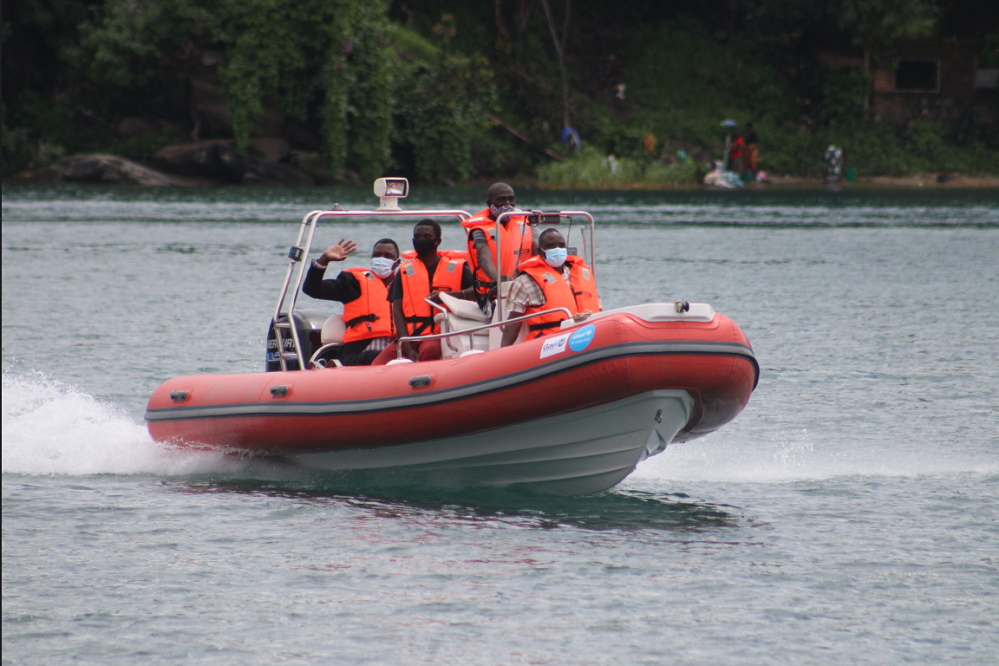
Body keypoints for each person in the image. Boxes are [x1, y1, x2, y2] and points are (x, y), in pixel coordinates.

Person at [372, 220, 475, 364]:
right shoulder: (404, 272)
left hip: (439, 335)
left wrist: (446, 297)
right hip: (409, 337)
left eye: (427, 237)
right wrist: (407, 348)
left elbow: (478, 291)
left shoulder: (458, 268)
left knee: (429, 350)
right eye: (417, 237)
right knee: (377, 364)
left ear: (438, 241)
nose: (421, 240)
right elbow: (397, 312)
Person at [302, 237, 400, 366]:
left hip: (399, 351)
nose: (381, 259)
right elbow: (312, 289)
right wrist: (324, 260)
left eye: (387, 256)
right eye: (377, 255)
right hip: (358, 355)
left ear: (397, 263)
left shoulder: (407, 286)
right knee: (379, 356)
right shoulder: (353, 283)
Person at [501, 228, 600, 347]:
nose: (557, 249)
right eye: (551, 246)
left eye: (561, 245)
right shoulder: (525, 281)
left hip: (587, 338)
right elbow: (513, 322)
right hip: (550, 345)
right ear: (540, 251)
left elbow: (598, 309)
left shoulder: (583, 274)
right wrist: (503, 350)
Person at [460, 183, 534, 312]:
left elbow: (537, 248)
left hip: (524, 290)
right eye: (501, 199)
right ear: (490, 203)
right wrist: (497, 281)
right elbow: (484, 257)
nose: (507, 204)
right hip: (493, 295)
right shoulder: (479, 229)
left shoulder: (525, 222)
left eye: (511, 199)